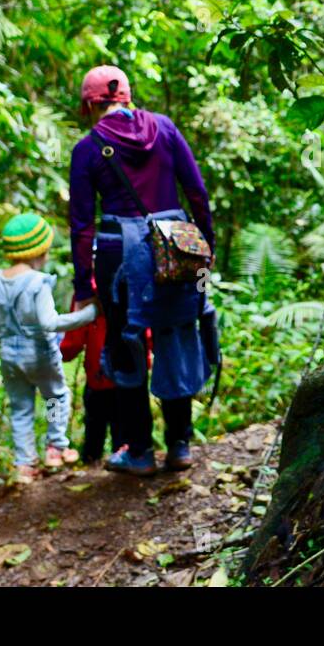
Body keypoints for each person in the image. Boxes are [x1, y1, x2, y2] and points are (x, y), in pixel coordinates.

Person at [69, 65, 216, 476]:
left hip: (120, 260)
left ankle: (138, 451)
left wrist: (85, 285)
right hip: (174, 249)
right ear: (127, 97)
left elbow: (82, 226)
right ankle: (180, 445)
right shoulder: (165, 128)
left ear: (89, 105)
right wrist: (206, 245)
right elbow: (196, 191)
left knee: (126, 345)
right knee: (175, 337)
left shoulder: (88, 149)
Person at [0, 212, 97, 481]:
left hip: (8, 355)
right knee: (55, 396)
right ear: (39, 252)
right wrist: (88, 315)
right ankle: (55, 447)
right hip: (39, 353)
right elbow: (49, 322)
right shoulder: (37, 281)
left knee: (20, 407)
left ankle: (25, 465)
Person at [59, 281, 120, 464]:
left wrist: (58, 353)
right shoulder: (132, 279)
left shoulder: (86, 292)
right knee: (124, 435)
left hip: (97, 377)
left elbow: (73, 342)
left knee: (94, 433)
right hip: (128, 377)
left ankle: (90, 464)